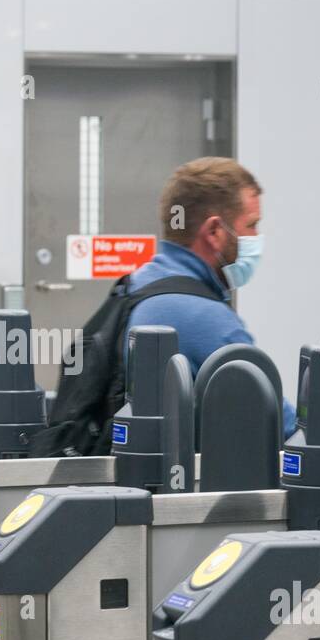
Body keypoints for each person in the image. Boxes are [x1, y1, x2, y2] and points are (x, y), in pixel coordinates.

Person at [126, 157, 300, 436]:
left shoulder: (138, 284)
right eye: (252, 225)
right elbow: (282, 427)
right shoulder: (202, 318)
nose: (257, 237)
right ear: (214, 232)